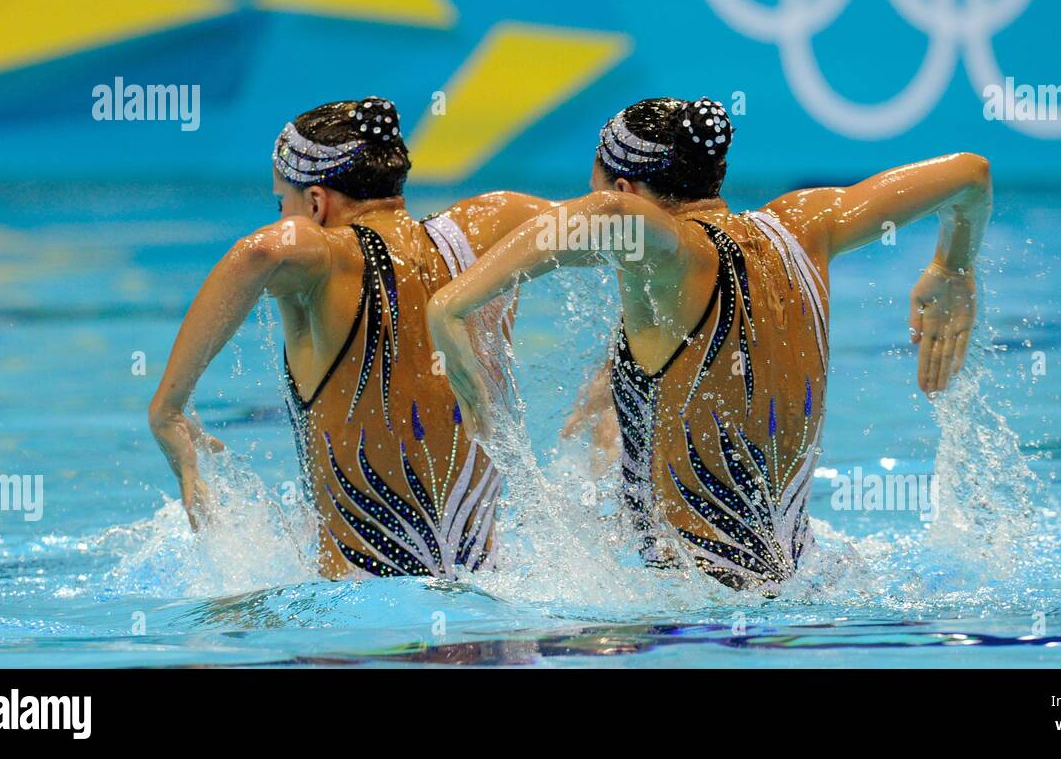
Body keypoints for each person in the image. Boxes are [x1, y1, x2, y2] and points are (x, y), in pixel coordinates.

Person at [427, 97, 991, 591]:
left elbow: (607, 215)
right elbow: (970, 172)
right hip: (800, 585)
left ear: (629, 191)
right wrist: (953, 268)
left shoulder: (671, 251)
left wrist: (448, 306)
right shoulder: (801, 225)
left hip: (689, 614)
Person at [147, 97, 550, 579]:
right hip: (489, 615)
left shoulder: (330, 259)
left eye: (283, 203)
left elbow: (260, 253)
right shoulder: (490, 227)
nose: (282, 218)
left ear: (315, 204)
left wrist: (168, 410)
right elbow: (620, 219)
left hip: (361, 630)